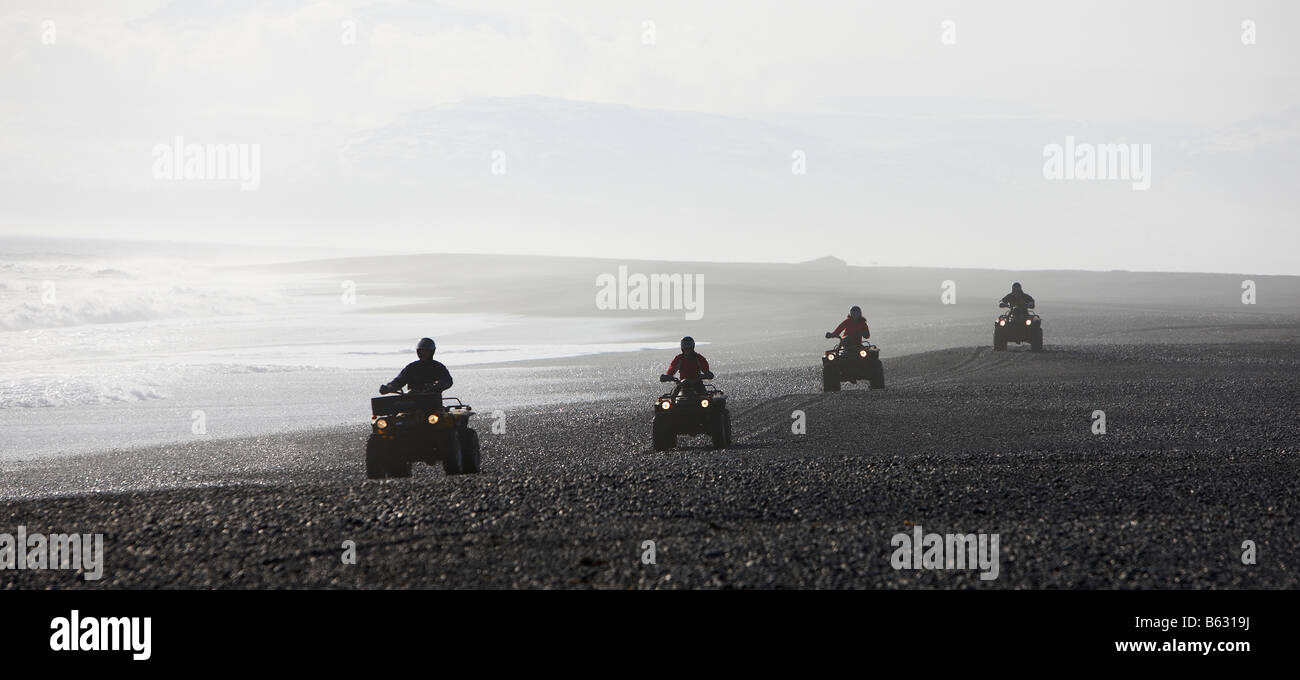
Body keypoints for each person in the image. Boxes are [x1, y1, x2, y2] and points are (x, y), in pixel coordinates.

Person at [380, 337, 453, 397]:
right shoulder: (412, 367)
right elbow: (399, 380)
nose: (424, 353)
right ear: (418, 351)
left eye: (427, 351)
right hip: (412, 403)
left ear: (432, 352)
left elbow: (448, 380)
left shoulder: (438, 367)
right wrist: (389, 387)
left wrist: (440, 384)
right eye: (422, 351)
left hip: (433, 403)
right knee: (399, 414)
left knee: (440, 415)